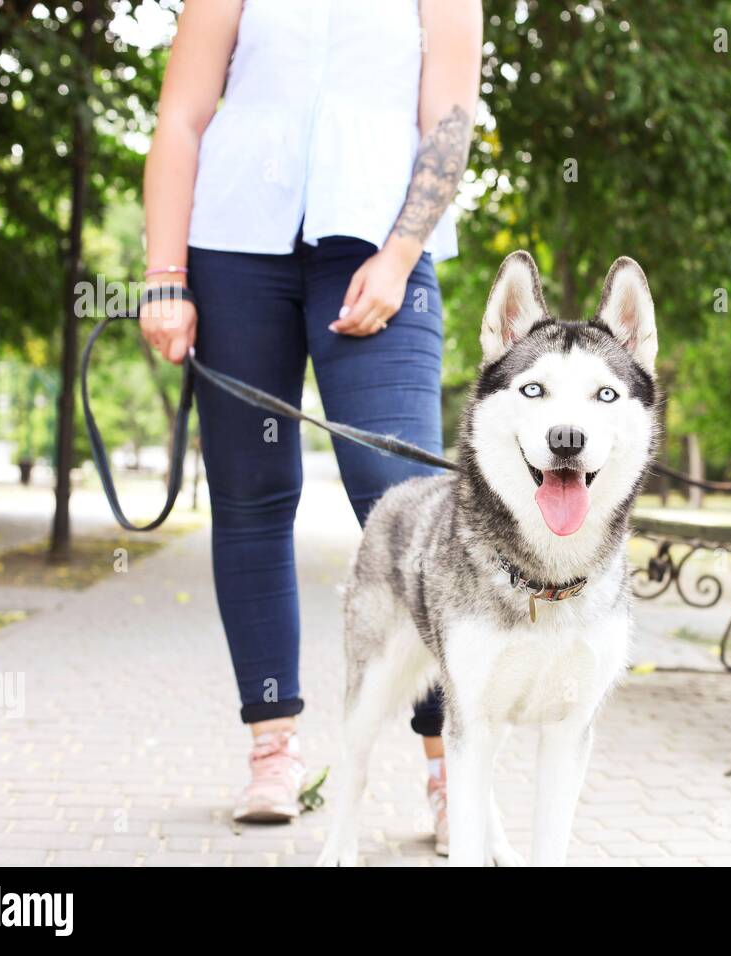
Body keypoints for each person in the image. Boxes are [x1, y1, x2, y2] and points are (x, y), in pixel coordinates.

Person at [138, 0, 481, 854]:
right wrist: (164, 273)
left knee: (410, 510)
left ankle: (451, 768)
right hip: (232, 245)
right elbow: (182, 118)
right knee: (251, 499)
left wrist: (400, 257)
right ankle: (274, 752)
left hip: (375, 250)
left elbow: (447, 124)